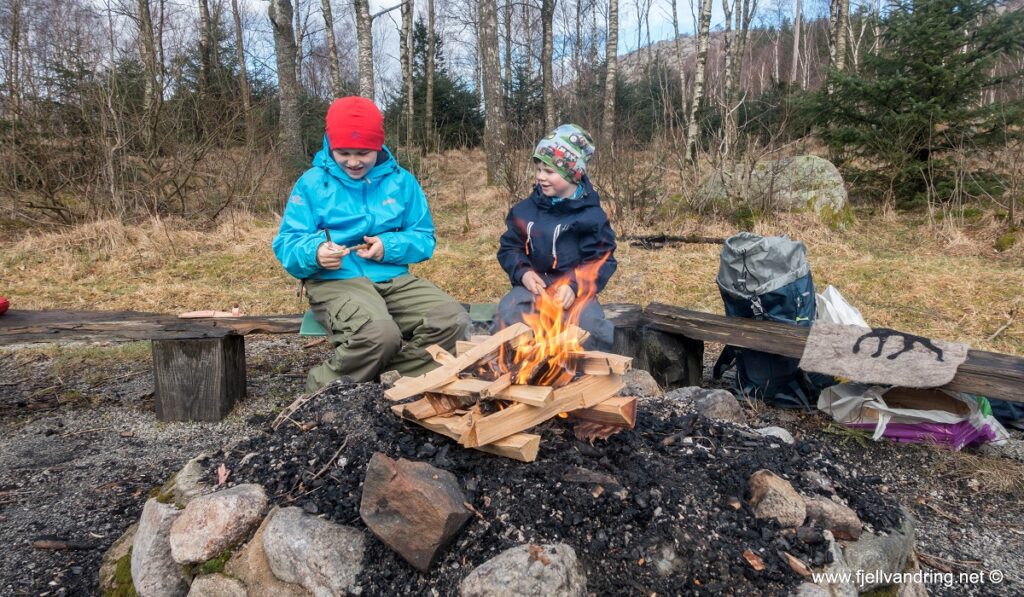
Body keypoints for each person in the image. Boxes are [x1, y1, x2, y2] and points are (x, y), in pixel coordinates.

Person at [273, 96, 468, 391]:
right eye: (344, 152)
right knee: (379, 335)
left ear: (378, 146)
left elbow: (424, 237)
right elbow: (288, 242)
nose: (353, 161)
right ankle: (321, 391)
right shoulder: (312, 183)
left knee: (454, 321)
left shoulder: (403, 182)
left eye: (363, 152)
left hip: (393, 278)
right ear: (330, 144)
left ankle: (391, 382)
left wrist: (389, 246)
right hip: (336, 281)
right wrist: (315, 253)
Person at [494, 124, 617, 349]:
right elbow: (510, 248)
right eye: (538, 169)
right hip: (533, 289)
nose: (541, 177)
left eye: (549, 171)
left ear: (573, 174)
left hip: (574, 293)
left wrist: (573, 285)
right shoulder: (524, 211)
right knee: (507, 314)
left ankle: (587, 379)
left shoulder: (591, 216)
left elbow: (601, 259)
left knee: (593, 328)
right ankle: (511, 370)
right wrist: (523, 273)